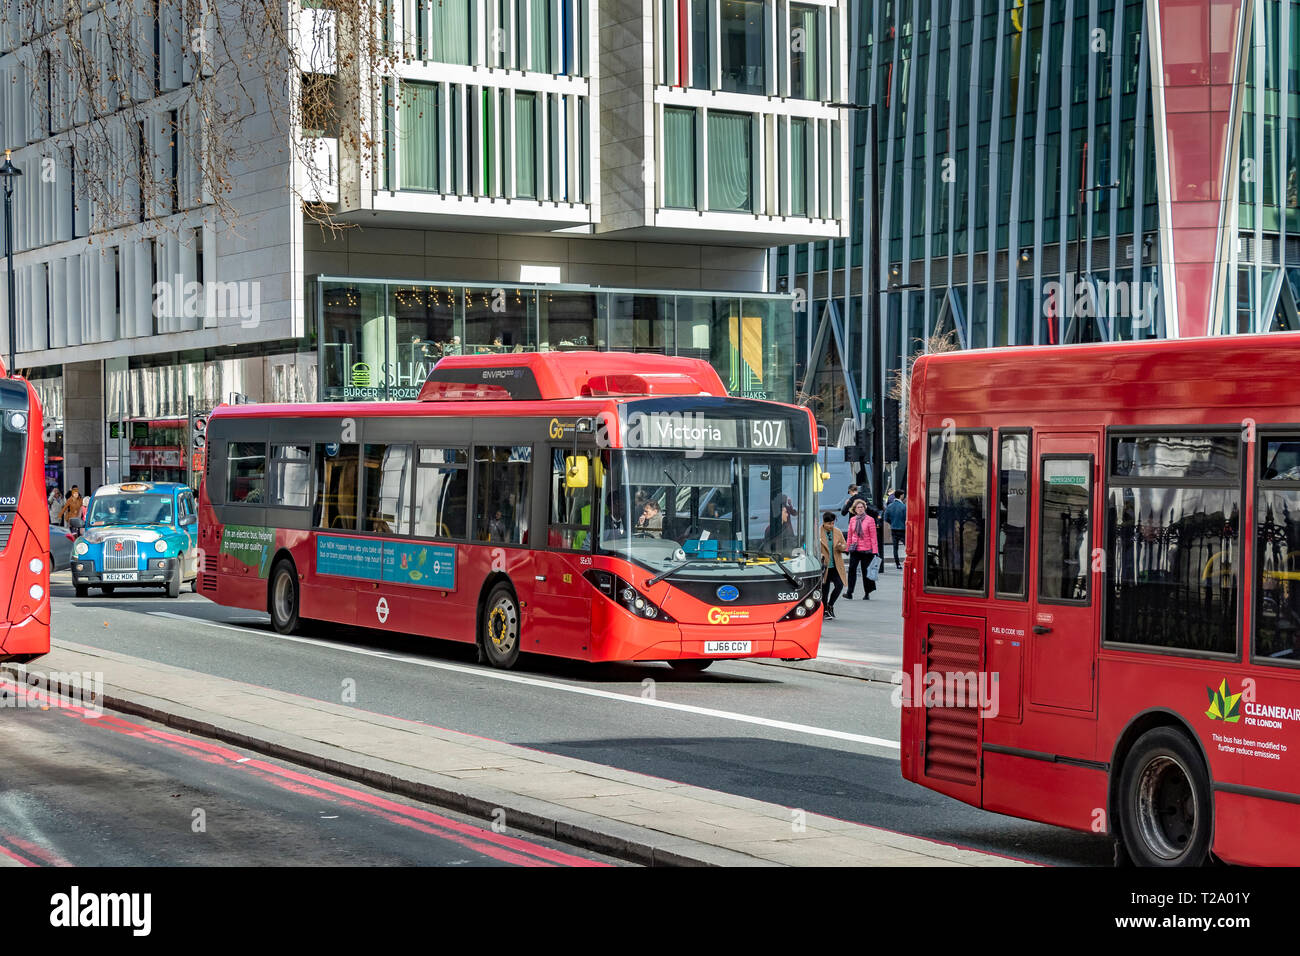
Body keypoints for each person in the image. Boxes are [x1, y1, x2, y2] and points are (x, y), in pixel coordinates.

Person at [844, 499, 878, 600]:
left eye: (862, 507)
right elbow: (850, 535)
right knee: (851, 570)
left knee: (865, 572)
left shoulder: (870, 520)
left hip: (867, 550)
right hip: (855, 548)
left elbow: (873, 536)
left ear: (864, 508)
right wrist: (847, 547)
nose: (860, 509)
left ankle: (867, 593)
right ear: (854, 509)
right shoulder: (853, 520)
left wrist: (875, 550)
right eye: (858, 507)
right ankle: (849, 592)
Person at [819, 511, 847, 619]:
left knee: (839, 585)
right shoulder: (818, 532)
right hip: (825, 566)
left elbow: (844, 545)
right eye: (829, 523)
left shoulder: (837, 532)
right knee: (824, 590)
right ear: (824, 523)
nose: (831, 526)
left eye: (833, 523)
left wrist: (841, 546)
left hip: (835, 565)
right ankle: (825, 610)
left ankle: (830, 605)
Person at [884, 490, 908, 569]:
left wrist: (892, 523)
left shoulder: (890, 506)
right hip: (903, 529)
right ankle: (907, 561)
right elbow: (906, 518)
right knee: (907, 547)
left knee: (895, 548)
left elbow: (886, 518)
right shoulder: (904, 507)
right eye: (903, 495)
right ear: (901, 496)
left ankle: (897, 564)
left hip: (894, 529)